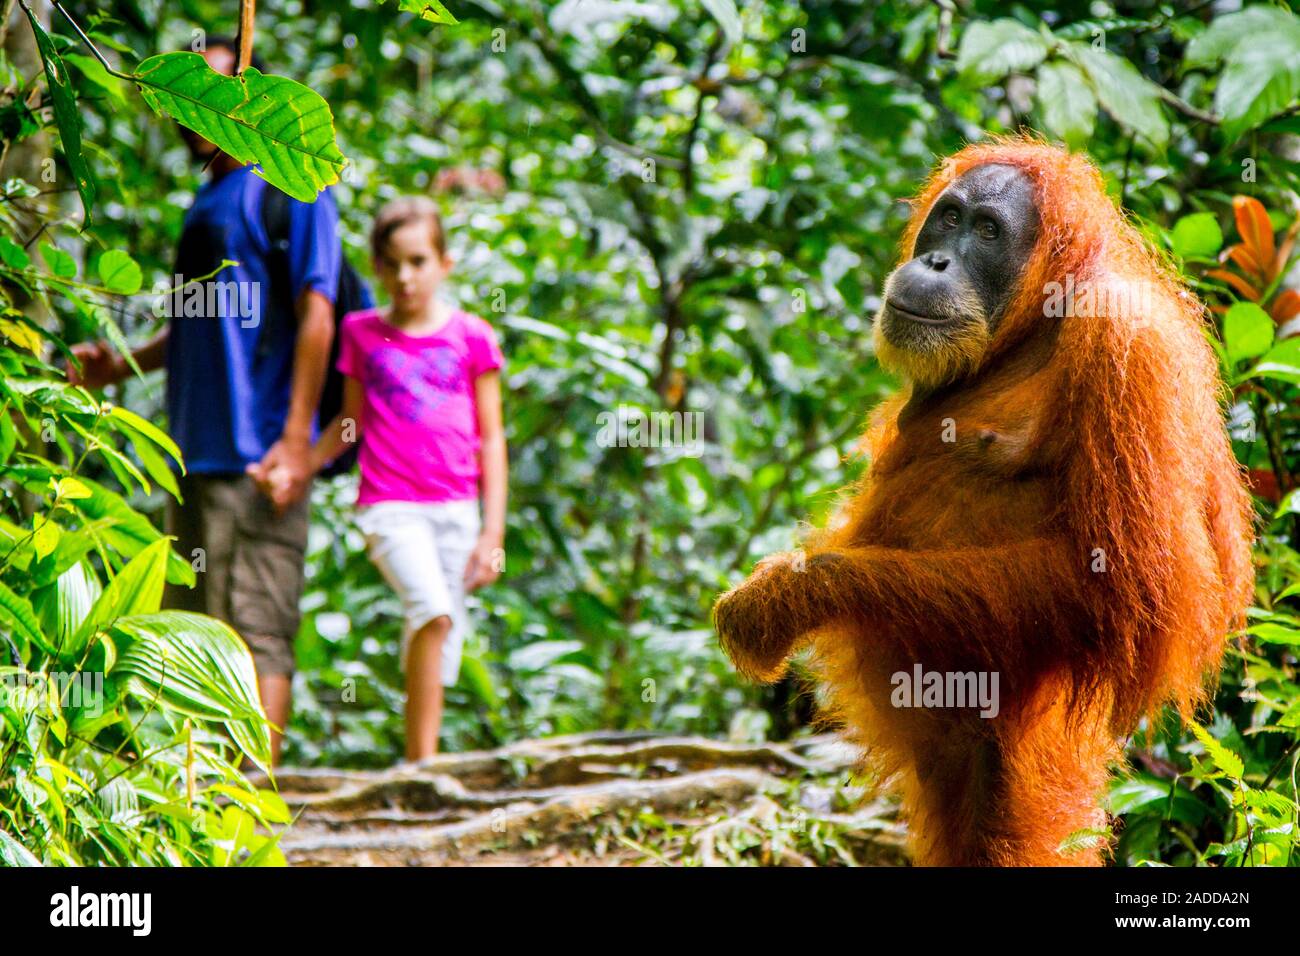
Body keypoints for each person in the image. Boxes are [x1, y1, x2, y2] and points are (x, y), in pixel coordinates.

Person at [69, 38, 352, 767]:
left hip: (256, 451)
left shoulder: (290, 183)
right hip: (190, 449)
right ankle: (202, 819)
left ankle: (251, 818)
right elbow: (206, 316)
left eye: (215, 86)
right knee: (194, 636)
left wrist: (296, 442)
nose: (197, 106)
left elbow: (318, 307)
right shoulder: (211, 194)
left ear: (244, 98)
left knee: (254, 629)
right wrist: (123, 364)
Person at [309, 196, 506, 762]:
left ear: (444, 263)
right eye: (392, 263)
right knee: (432, 613)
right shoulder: (360, 332)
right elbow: (348, 424)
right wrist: (299, 462)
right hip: (389, 505)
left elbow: (492, 439)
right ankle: (422, 767)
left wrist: (492, 535)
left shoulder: (472, 336)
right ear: (376, 265)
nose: (405, 276)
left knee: (438, 640)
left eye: (418, 261)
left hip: (457, 510)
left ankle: (418, 767)